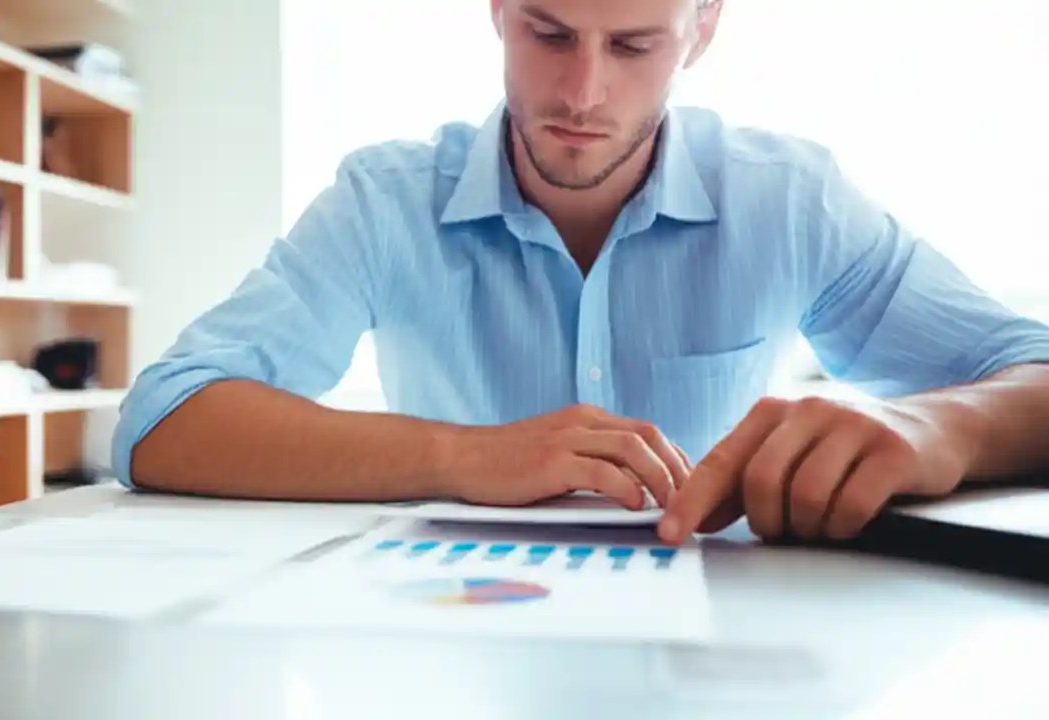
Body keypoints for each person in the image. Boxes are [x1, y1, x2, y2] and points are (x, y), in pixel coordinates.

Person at [114, 0, 1049, 545]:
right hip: (453, 643)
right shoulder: (385, 199)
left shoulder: (791, 199)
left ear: (703, 27)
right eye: (548, 32)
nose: (581, 94)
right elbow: (163, 416)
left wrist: (938, 426)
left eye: (635, 44)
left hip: (711, 659)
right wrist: (464, 457)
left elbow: (1032, 369)